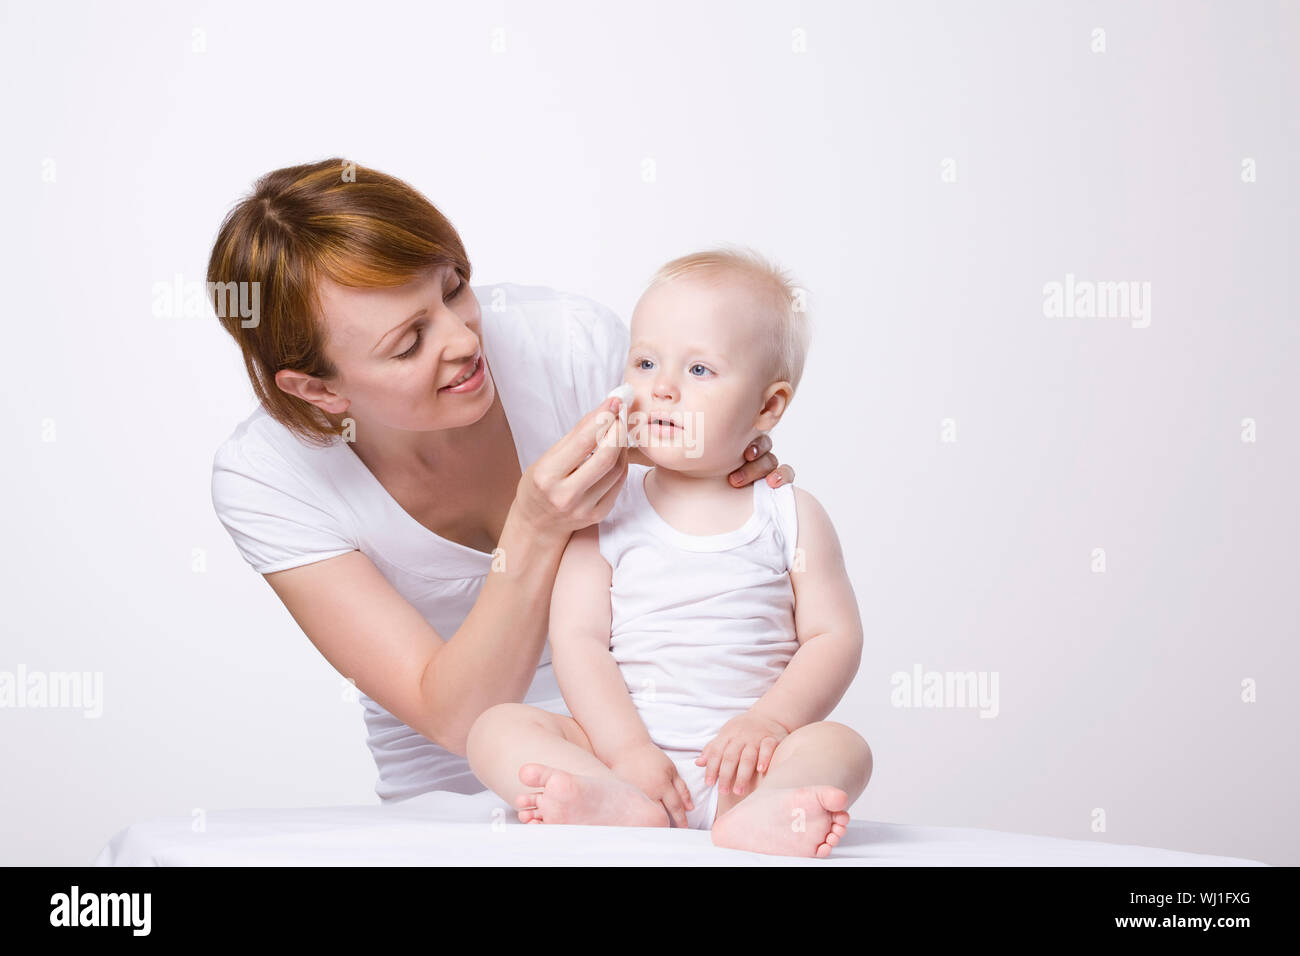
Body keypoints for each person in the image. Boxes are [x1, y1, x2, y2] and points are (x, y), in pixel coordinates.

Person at [207, 158, 793, 803]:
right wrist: (537, 526)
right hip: (466, 775)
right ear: (318, 388)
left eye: (454, 287)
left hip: (657, 741)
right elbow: (458, 720)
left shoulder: (568, 345)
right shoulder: (266, 478)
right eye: (409, 343)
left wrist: (730, 468)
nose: (463, 339)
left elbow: (713, 494)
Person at [466, 248, 872, 857]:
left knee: (843, 747)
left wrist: (772, 723)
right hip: (627, 759)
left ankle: (764, 812)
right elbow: (578, 642)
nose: (662, 388)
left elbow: (833, 637)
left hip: (746, 765)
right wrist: (625, 750)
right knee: (495, 729)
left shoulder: (790, 513)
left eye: (700, 371)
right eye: (646, 361)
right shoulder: (604, 512)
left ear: (768, 406)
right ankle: (609, 800)